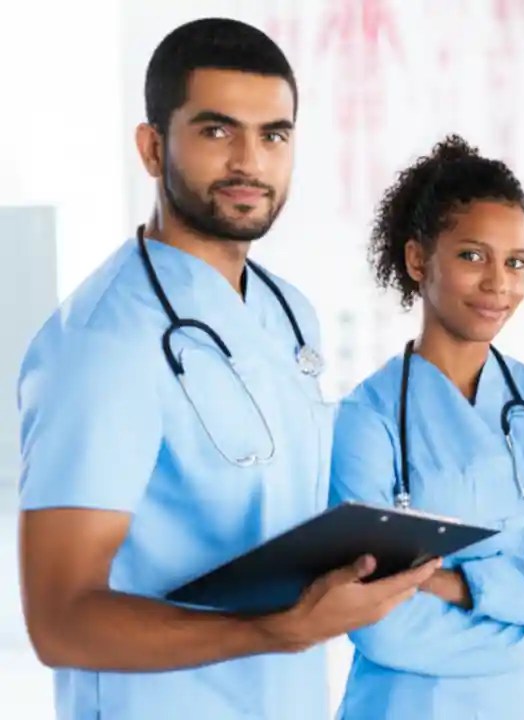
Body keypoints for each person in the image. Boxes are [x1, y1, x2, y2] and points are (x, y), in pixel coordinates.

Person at [15, 18, 436, 720]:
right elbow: (59, 621)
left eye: (273, 135)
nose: (250, 162)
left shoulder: (286, 310)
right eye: (216, 132)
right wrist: (278, 631)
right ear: (152, 148)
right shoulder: (103, 343)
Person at [329, 136, 524, 719]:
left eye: (516, 262)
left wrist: (460, 585)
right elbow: (380, 625)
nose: (500, 283)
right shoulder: (367, 420)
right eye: (473, 256)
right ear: (419, 260)